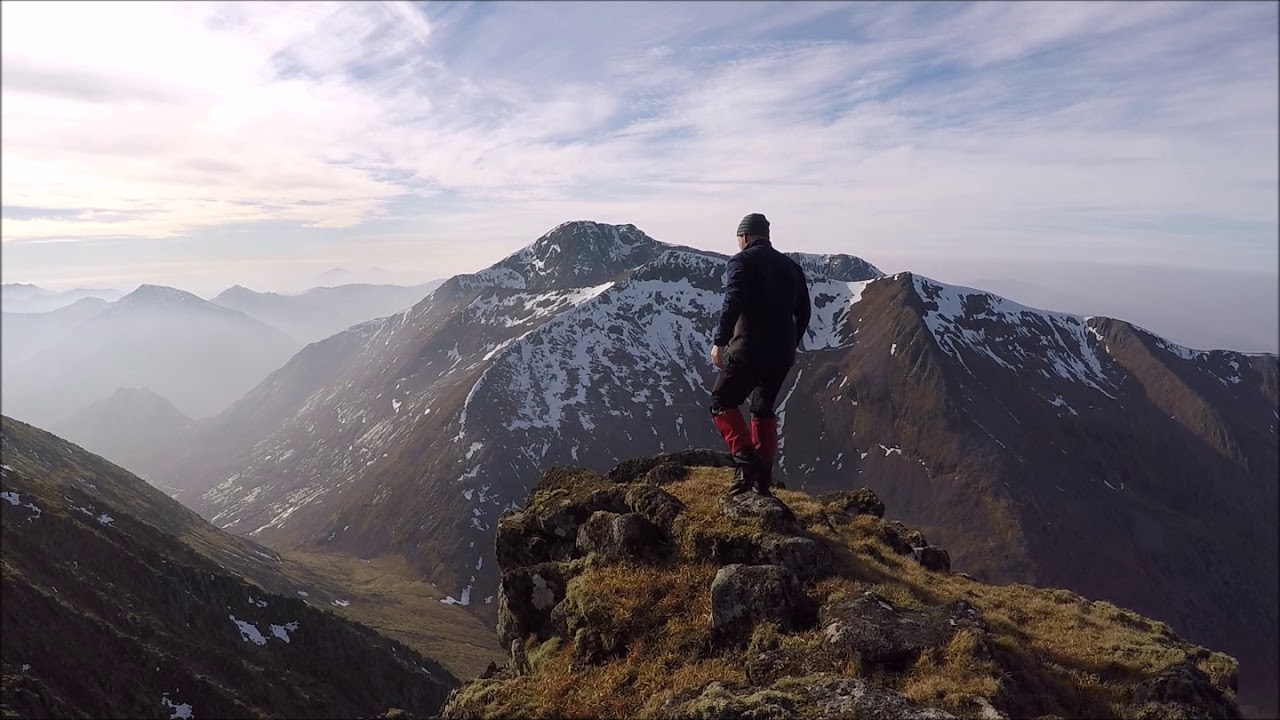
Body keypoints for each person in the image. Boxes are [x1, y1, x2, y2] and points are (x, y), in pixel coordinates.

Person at [709, 212, 811, 497]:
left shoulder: (741, 262)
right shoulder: (791, 267)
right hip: (782, 355)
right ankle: (762, 479)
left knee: (722, 401)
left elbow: (733, 301)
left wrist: (720, 340)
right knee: (762, 409)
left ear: (743, 237)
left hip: (749, 350)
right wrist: (791, 341)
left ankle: (746, 464)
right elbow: (803, 312)